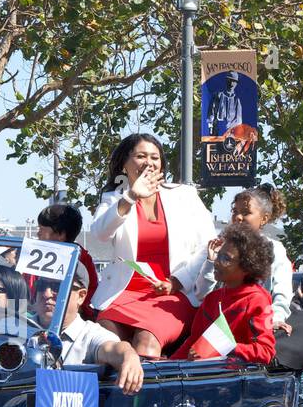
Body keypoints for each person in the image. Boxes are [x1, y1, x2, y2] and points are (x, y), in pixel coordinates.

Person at [88, 133, 216, 358]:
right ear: (124, 165)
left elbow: (208, 245)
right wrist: (130, 197)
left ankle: (143, 394)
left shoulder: (184, 196)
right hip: (123, 292)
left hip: (173, 294)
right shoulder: (114, 198)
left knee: (145, 342)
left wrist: (177, 281)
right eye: (141, 156)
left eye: (155, 157)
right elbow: (99, 234)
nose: (149, 162)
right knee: (105, 342)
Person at [189, 184, 293, 328]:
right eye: (235, 211)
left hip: (257, 324)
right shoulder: (221, 246)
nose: (238, 217)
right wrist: (211, 262)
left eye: (246, 212)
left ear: (264, 218)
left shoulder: (275, 250)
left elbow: (282, 293)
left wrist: (274, 320)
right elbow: (202, 295)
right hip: (220, 325)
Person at [173, 223, 276, 364]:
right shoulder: (212, 299)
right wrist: (164, 367)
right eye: (218, 255)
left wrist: (225, 348)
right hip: (205, 376)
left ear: (247, 266)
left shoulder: (257, 300)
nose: (216, 262)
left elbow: (265, 352)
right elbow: (194, 342)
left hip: (235, 380)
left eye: (226, 259)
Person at [31, 271, 144, 395]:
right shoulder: (17, 329)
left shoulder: (90, 334)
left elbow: (111, 348)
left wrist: (129, 356)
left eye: (58, 287)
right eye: (41, 286)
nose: (46, 294)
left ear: (81, 296)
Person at [37, 203, 99, 318]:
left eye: (41, 229)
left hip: (74, 315)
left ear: (60, 234)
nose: (38, 234)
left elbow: (90, 291)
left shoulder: (80, 258)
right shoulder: (40, 256)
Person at [207, 71, 244, 136]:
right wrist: (210, 127)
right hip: (217, 132)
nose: (232, 84)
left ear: (236, 83)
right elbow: (211, 113)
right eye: (230, 80)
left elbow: (238, 120)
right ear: (226, 81)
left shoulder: (236, 100)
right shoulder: (217, 96)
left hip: (231, 133)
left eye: (234, 81)